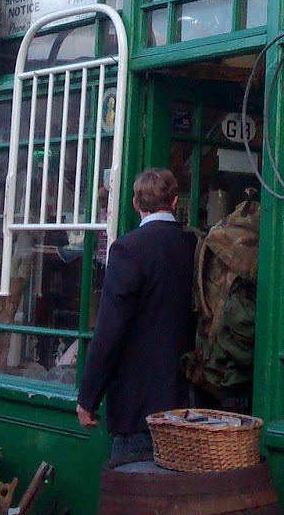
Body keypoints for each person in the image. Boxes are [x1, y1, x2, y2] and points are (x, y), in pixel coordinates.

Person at [76, 167, 195, 465]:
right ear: (175, 202)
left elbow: (110, 330)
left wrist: (88, 398)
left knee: (132, 487)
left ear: (135, 204)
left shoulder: (127, 249)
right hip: (189, 402)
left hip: (138, 406)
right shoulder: (194, 245)